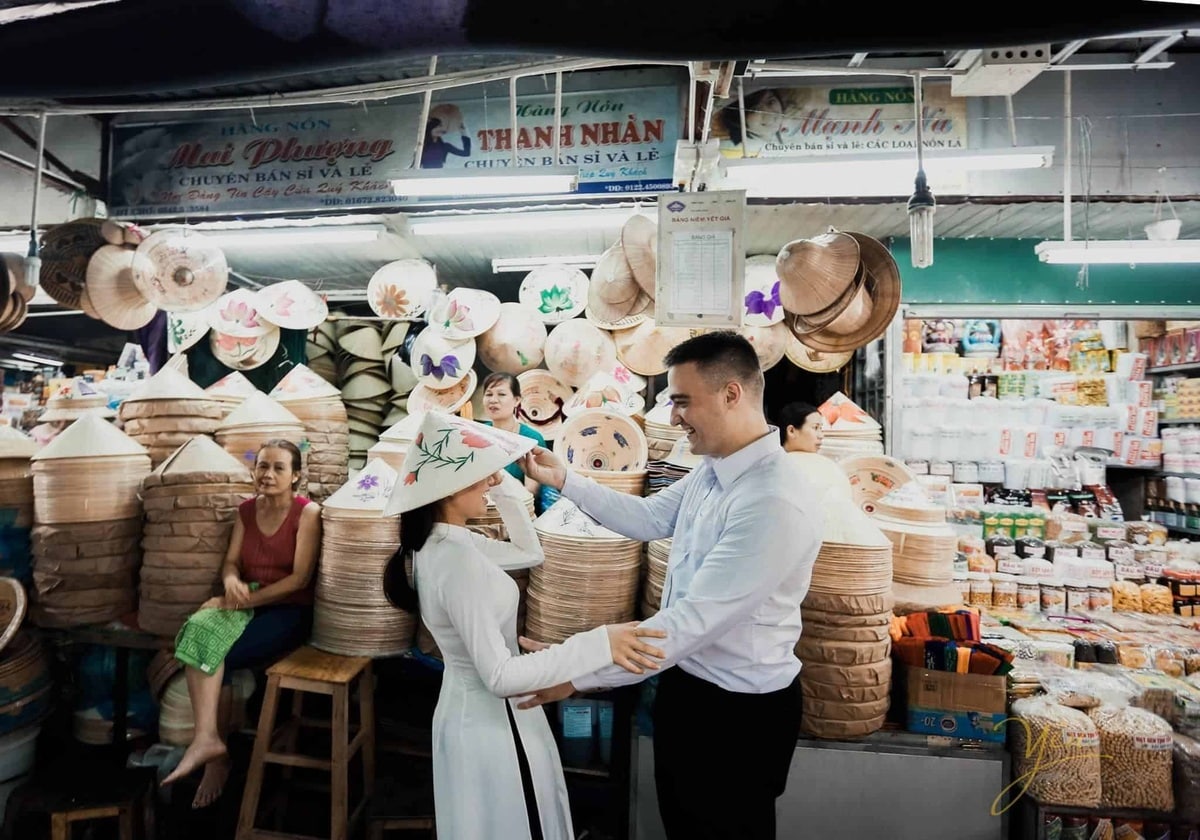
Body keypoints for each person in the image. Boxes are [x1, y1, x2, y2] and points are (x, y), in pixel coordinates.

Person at [519, 330, 821, 840]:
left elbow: (689, 624)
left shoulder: (771, 501)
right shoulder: (713, 470)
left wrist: (575, 669)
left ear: (731, 394)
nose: (675, 416)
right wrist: (566, 479)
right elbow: (647, 516)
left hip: (737, 718)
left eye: (682, 401)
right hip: (688, 687)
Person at [381, 411, 667, 840]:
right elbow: (498, 676)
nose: (490, 482)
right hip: (490, 726)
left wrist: (508, 481)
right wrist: (596, 644)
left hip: (488, 716)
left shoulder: (442, 544)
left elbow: (528, 552)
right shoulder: (455, 561)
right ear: (449, 488)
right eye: (481, 475)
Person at [162, 439, 321, 809]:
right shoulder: (246, 511)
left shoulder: (308, 513)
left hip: (288, 610)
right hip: (247, 601)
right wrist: (231, 581)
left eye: (278, 468)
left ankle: (215, 752)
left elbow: (299, 580)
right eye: (262, 466)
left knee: (218, 652)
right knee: (196, 629)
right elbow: (231, 562)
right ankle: (210, 744)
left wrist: (236, 601)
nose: (267, 474)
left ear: (295, 475)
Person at [477, 372, 546, 498]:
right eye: (488, 394)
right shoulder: (477, 433)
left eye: (501, 394)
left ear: (517, 400)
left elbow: (531, 490)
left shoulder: (532, 439)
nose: (493, 400)